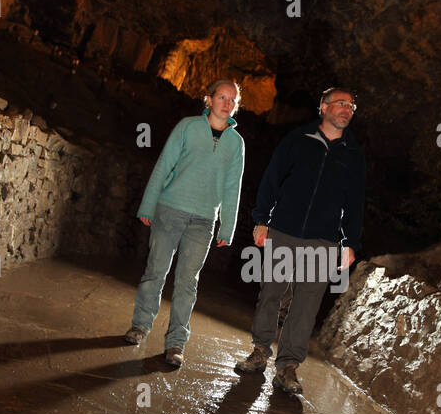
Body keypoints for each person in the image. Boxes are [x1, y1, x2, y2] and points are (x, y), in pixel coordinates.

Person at [235, 87, 366, 395]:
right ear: (323, 107)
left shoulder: (353, 153)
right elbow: (272, 179)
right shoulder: (297, 139)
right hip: (284, 230)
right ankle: (259, 351)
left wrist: (350, 242)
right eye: (340, 103)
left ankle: (288, 367)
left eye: (351, 105)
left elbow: (355, 201)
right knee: (271, 294)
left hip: (323, 239)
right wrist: (261, 219)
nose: (346, 109)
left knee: (306, 305)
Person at [125, 79, 245, 368]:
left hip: (204, 220)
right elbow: (164, 164)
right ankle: (140, 326)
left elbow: (233, 187)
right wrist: (148, 205)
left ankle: (176, 343)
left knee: (187, 282)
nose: (226, 103)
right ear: (209, 99)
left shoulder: (236, 143)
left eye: (232, 100)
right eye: (221, 97)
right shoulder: (188, 127)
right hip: (170, 209)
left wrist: (227, 226)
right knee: (155, 272)